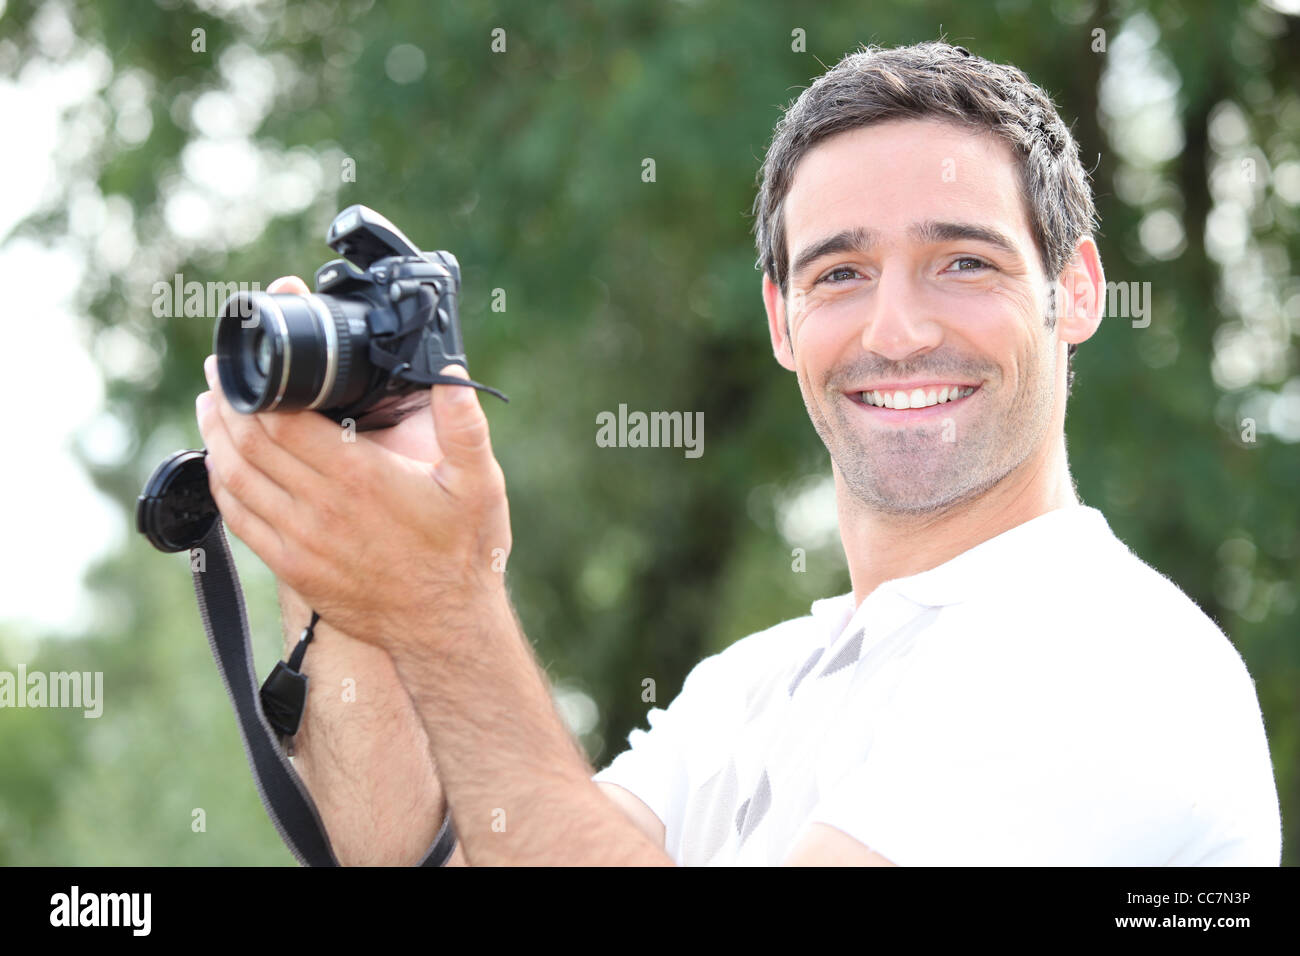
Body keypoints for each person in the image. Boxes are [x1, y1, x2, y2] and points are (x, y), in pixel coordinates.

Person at [194, 40, 1281, 865]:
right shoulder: (756, 685)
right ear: (778, 317)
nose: (895, 330)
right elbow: (419, 846)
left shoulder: (1113, 661)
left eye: (961, 262)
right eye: (839, 273)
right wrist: (351, 567)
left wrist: (448, 606)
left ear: (1075, 289)